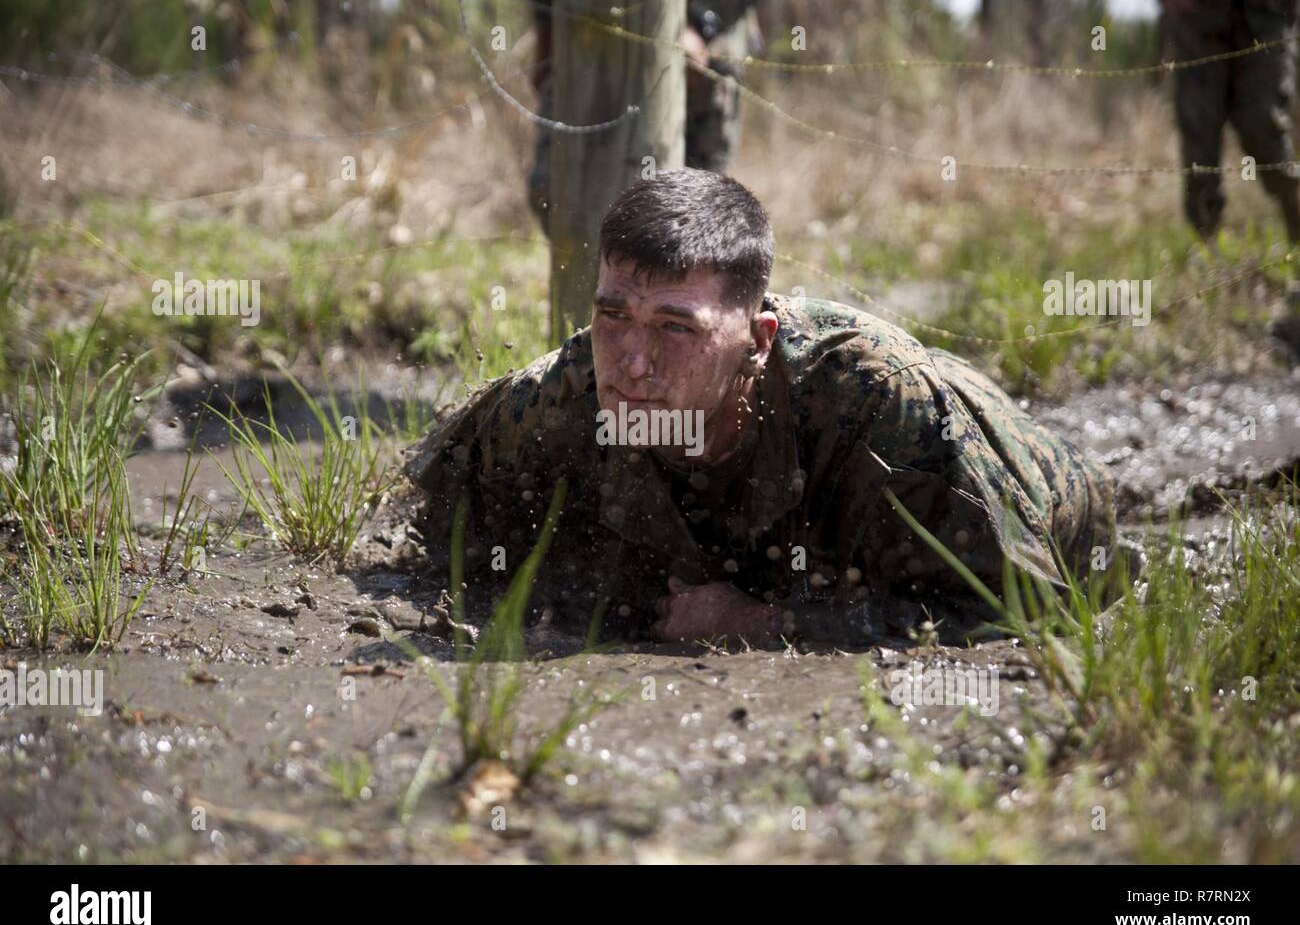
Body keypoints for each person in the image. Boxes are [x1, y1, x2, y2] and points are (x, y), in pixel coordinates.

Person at [407, 170, 1117, 645]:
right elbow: (432, 526)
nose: (631, 362)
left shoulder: (881, 408)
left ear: (757, 339)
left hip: (1049, 527)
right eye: (613, 315)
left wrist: (769, 622)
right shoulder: (561, 395)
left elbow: (1027, 614)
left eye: (676, 328)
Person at [527, 0, 762, 231]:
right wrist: (546, 31)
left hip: (705, 45)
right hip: (587, 40)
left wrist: (702, 20)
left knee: (693, 206)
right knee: (552, 191)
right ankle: (596, 266)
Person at [1162, 0, 1300, 242]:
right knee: (1199, 135)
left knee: (1263, 124)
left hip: (1268, 13)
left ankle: (1295, 215)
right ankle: (1205, 249)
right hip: (1199, 17)